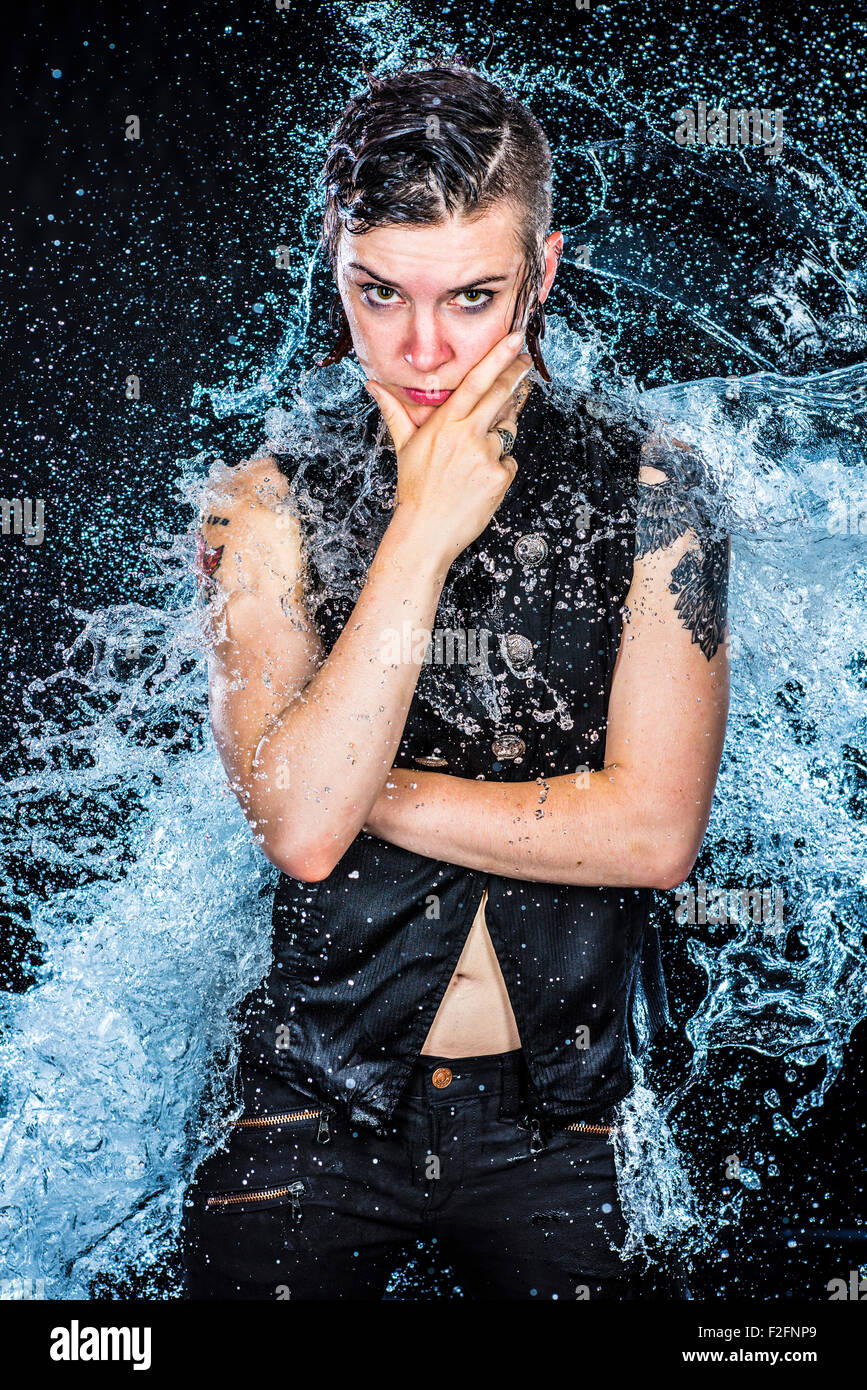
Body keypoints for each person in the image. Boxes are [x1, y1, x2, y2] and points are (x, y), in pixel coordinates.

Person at [181, 58, 730, 1301]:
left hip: (568, 1120)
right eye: (380, 296)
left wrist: (349, 776)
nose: (424, 350)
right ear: (336, 267)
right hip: (308, 1103)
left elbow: (652, 833)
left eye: (475, 299)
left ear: (539, 273)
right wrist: (422, 530)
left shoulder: (660, 492)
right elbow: (306, 837)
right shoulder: (262, 505)